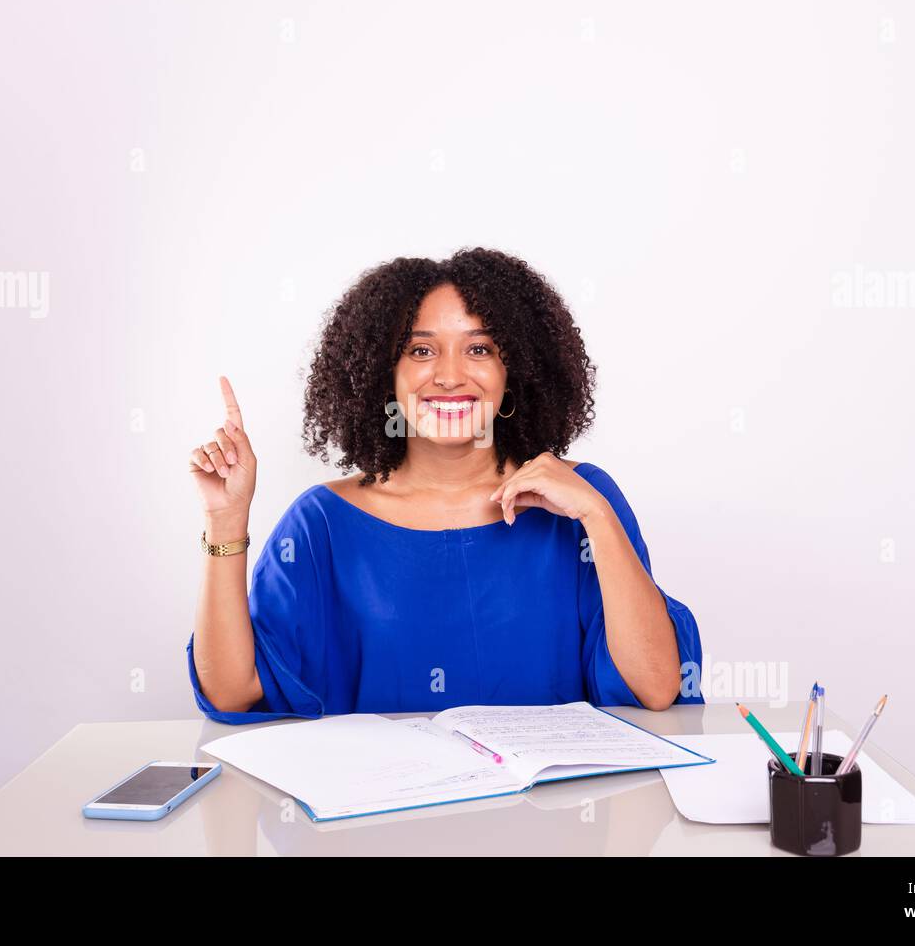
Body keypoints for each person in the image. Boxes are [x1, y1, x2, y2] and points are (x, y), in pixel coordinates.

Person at [186, 247, 702, 723]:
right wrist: (225, 519)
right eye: (421, 351)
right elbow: (233, 693)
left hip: (550, 816)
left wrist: (597, 517)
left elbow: (656, 688)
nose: (451, 376)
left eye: (479, 349)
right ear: (382, 376)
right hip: (380, 816)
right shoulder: (323, 522)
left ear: (513, 371)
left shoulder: (581, 498)